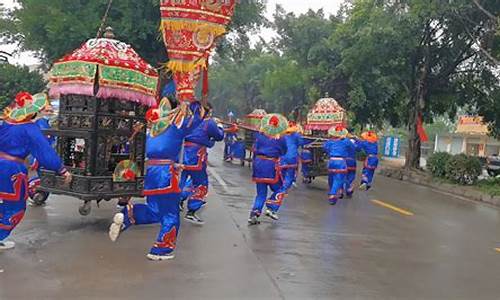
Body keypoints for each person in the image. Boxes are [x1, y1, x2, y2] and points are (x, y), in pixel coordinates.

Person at [109, 98, 204, 261]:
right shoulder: (175, 127)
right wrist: (190, 100)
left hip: (151, 172)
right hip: (166, 175)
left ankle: (127, 215)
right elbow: (198, 118)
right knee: (171, 214)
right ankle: (161, 249)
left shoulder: (152, 129)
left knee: (154, 210)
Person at [0, 92, 71, 250]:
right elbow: (44, 152)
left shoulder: (6, 123)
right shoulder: (29, 128)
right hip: (12, 169)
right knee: (15, 207)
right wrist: (62, 169)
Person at [179, 103, 224, 225]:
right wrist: (219, 126)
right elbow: (219, 136)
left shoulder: (185, 119)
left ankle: (176, 202)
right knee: (201, 183)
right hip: (197, 155)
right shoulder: (208, 122)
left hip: (182, 154)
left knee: (180, 179)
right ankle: (192, 210)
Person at [249, 114, 288, 225]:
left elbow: (255, 149)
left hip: (259, 165)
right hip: (271, 166)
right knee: (280, 188)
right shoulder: (281, 138)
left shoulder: (260, 136)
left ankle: (255, 213)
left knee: (261, 193)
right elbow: (284, 151)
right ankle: (271, 207)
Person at [27, 103, 56, 205]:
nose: (49, 113)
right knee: (41, 174)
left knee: (44, 174)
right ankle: (36, 193)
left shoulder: (48, 123)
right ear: (41, 111)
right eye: (47, 111)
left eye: (51, 111)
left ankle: (40, 195)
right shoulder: (40, 122)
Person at [322, 126, 353, 205]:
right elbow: (353, 148)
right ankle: (332, 194)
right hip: (341, 162)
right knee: (338, 179)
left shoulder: (330, 141)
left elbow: (325, 148)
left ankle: (335, 191)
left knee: (331, 178)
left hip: (331, 161)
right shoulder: (346, 141)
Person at [280, 122, 313, 191]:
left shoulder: (282, 135)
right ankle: (284, 188)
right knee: (290, 173)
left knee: (282, 172)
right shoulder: (296, 135)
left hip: (282, 157)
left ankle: (282, 186)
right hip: (292, 156)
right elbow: (301, 143)